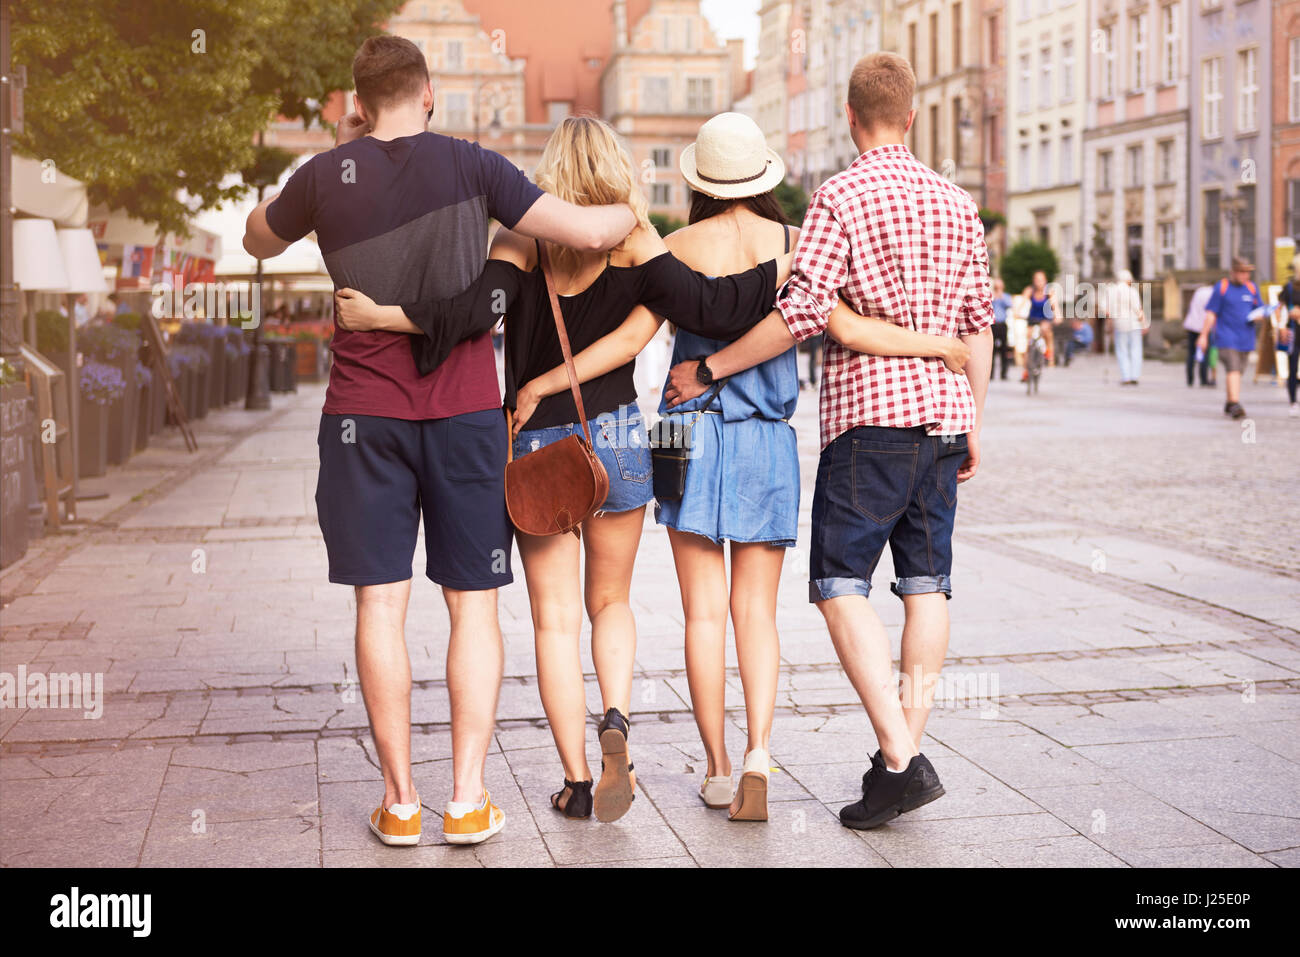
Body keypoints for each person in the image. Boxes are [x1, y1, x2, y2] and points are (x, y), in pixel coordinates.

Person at [241, 35, 639, 848]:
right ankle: (466, 797)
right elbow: (588, 231)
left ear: (358, 105)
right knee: (474, 607)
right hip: (463, 417)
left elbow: (256, 239)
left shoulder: (324, 176)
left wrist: (308, 185)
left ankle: (398, 802)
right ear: (427, 94)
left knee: (379, 605)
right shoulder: (474, 164)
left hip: (361, 418)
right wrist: (631, 212)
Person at [333, 115, 788, 824]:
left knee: (553, 622)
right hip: (621, 440)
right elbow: (709, 307)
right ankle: (617, 719)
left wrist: (386, 315)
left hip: (539, 447)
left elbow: (472, 315)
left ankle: (580, 780)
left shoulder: (523, 237)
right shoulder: (636, 237)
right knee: (611, 602)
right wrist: (788, 268)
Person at [664, 53, 993, 830]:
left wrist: (707, 366)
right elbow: (978, 323)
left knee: (840, 583)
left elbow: (807, 311)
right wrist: (973, 416)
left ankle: (901, 757)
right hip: (944, 420)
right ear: (912, 116)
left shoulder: (838, 197)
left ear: (850, 117)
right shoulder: (958, 202)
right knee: (927, 586)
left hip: (868, 419)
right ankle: (897, 758)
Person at [1198, 257, 1263, 420]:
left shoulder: (1252, 288)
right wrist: (1204, 335)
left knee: (1238, 371)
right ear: (1233, 272)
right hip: (1226, 337)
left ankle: (1229, 402)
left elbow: (1260, 309)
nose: (1244, 276)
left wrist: (1260, 316)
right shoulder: (1222, 287)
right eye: (1241, 272)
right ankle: (1235, 404)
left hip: (1246, 338)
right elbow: (1211, 313)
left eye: (1247, 272)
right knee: (1233, 369)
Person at [1106, 269, 1147, 385]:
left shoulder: (1111, 291)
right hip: (1134, 323)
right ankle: (1135, 375)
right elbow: (1138, 309)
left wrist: (1109, 325)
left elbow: (1108, 311)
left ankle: (1126, 376)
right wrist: (1144, 323)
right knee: (1136, 348)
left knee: (1122, 349)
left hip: (1120, 323)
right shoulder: (1132, 291)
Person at [1020, 269, 1057, 376]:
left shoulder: (1049, 291)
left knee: (1046, 331)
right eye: (1037, 279)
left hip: (1045, 318)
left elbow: (1055, 306)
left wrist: (1057, 316)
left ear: (1045, 281)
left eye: (1041, 280)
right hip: (1032, 318)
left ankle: (1049, 354)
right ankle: (1026, 370)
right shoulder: (1030, 290)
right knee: (1028, 340)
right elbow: (1022, 303)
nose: (1039, 282)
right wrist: (1017, 312)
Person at [1279, 257, 1300, 417]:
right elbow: (1281, 308)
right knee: (1292, 367)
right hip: (1293, 332)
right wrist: (1282, 327)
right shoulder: (1289, 288)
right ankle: (1293, 401)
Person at [1183, 284, 1214, 387]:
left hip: (1192, 325)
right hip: (1203, 326)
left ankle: (1190, 379)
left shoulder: (1199, 291)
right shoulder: (1212, 294)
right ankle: (1203, 379)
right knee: (1204, 353)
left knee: (1191, 353)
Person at [990, 277, 1013, 379]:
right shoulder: (991, 295)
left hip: (1002, 325)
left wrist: (1001, 296)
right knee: (992, 350)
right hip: (993, 325)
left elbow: (1009, 304)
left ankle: (1004, 373)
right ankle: (990, 374)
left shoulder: (1006, 296)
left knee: (1004, 349)